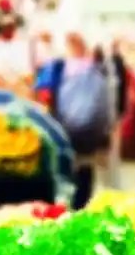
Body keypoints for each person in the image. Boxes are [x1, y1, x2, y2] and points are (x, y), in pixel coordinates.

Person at [38, 32, 113, 209]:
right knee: (85, 169)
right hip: (90, 132)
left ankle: (63, 207)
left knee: (64, 167)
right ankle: (81, 206)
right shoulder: (96, 68)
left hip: (63, 128)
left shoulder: (57, 66)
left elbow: (44, 94)